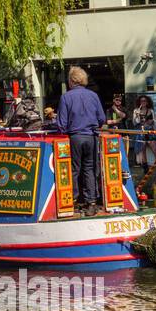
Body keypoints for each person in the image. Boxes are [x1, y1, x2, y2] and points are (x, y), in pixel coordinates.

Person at [57, 65, 105, 215]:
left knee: (74, 169)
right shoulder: (94, 96)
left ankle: (72, 201)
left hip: (75, 137)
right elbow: (102, 119)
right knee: (89, 169)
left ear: (72, 81)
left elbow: (61, 125)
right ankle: (91, 202)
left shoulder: (66, 97)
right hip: (91, 137)